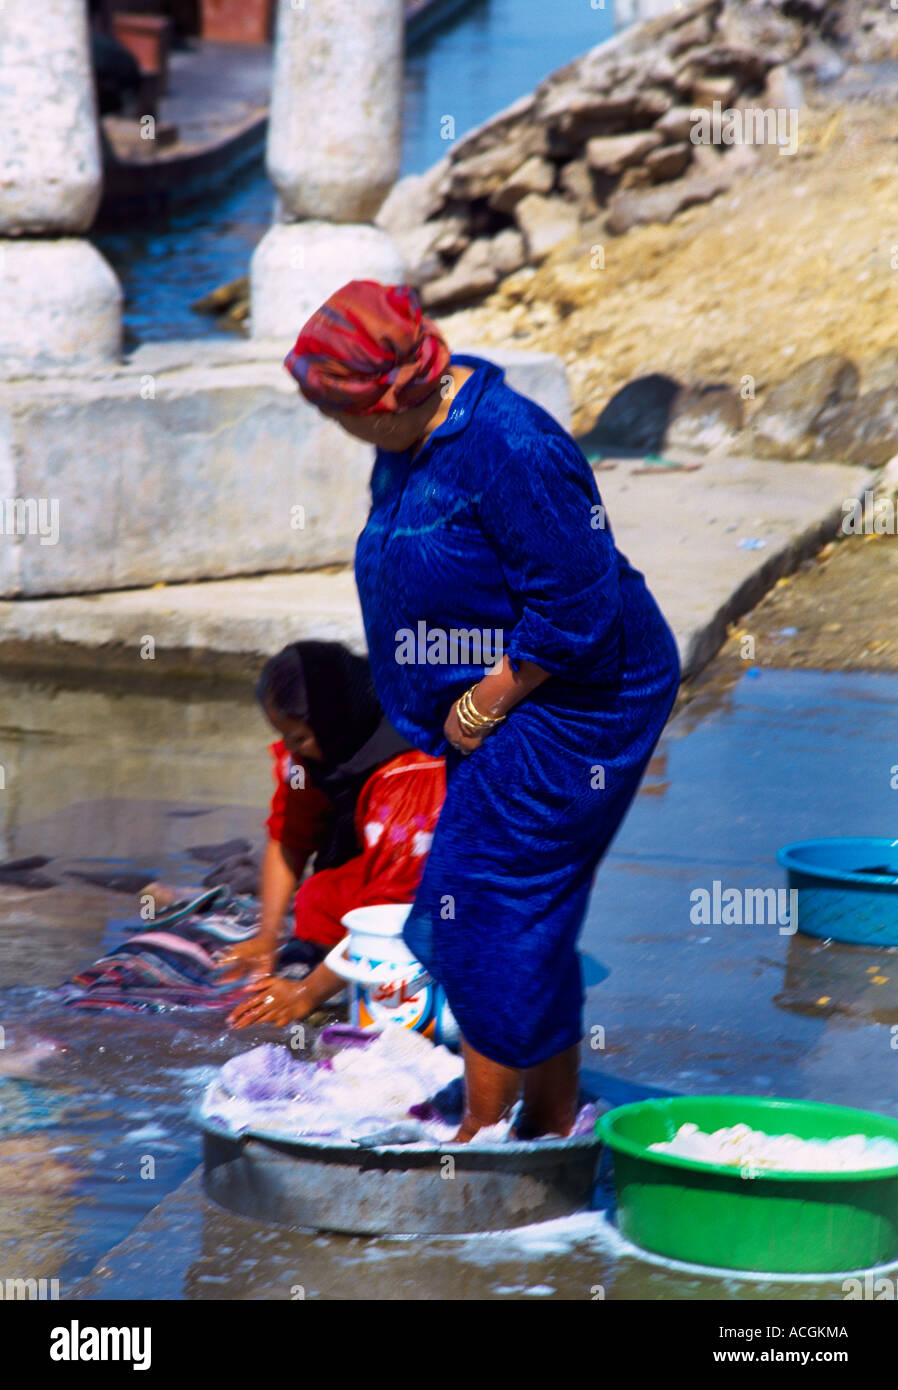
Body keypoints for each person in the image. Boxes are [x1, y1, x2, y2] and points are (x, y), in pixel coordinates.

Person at [284, 280, 681, 1141]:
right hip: (501, 696)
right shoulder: (412, 431)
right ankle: (541, 1115)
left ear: (390, 395)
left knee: (489, 907)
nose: (334, 425)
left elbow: (576, 604)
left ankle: (492, 1133)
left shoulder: (510, 446)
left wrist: (482, 703)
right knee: (512, 905)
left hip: (574, 701)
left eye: (337, 410)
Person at [220, 641, 446, 1028]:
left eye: (299, 738)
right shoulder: (319, 753)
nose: (291, 749)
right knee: (317, 899)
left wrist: (306, 994)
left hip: (440, 900)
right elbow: (289, 837)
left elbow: (390, 916)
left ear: (334, 719)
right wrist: (267, 936)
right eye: (285, 736)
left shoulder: (411, 776)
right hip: (381, 872)